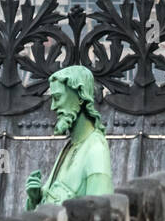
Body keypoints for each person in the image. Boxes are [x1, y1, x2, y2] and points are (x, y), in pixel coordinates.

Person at [25, 64, 113, 209]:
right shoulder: (71, 146)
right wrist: (36, 199)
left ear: (80, 97)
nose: (53, 107)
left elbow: (100, 217)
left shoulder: (96, 150)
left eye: (57, 98)